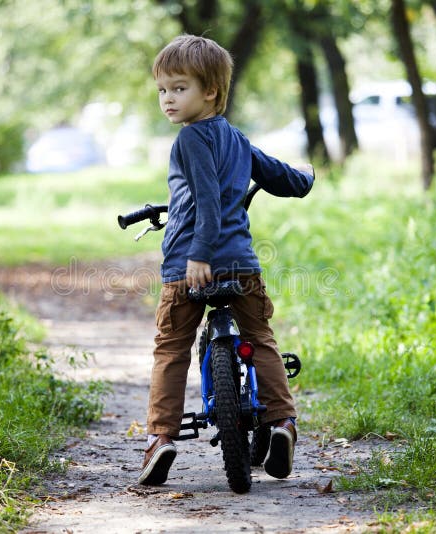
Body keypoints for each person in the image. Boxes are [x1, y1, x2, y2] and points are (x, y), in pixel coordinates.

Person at [138, 34, 315, 486]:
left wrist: (198, 254)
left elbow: (208, 200)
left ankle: (161, 437)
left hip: (188, 265)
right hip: (242, 263)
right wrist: (305, 179)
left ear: (210, 92)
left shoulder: (190, 140)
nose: (168, 99)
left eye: (179, 88)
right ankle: (282, 422)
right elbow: (279, 176)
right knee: (261, 337)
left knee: (172, 347)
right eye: (162, 90)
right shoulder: (236, 140)